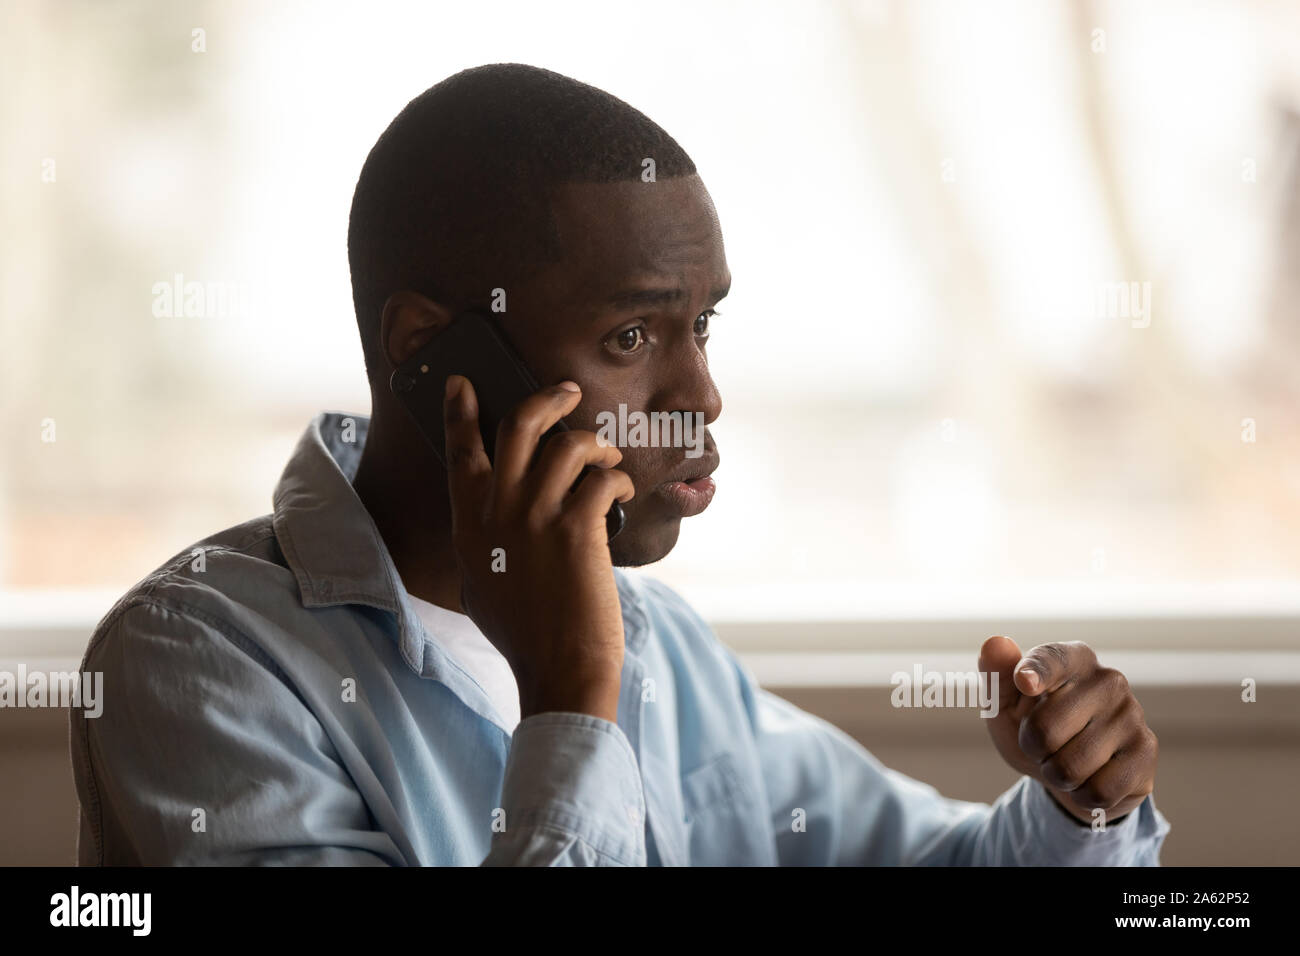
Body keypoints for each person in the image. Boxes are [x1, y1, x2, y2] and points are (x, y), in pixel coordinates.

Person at [70, 63, 1170, 865]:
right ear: (431, 355)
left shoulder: (661, 642)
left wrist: (1075, 809)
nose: (700, 397)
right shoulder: (196, 664)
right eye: (633, 339)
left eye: (706, 326)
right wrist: (571, 704)